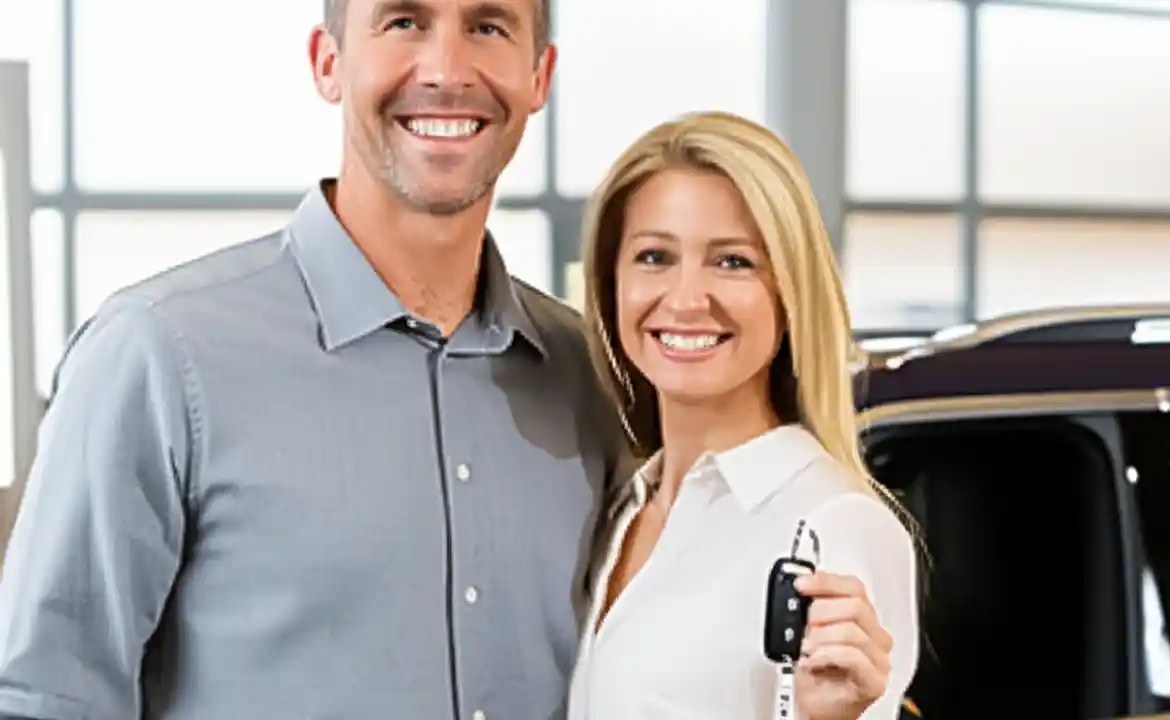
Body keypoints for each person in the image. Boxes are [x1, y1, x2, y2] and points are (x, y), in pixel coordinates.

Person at [0, 1, 630, 718]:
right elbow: (47, 698)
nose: (448, 69)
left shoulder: (592, 379)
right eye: (403, 22)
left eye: (488, 26)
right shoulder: (158, 355)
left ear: (539, 75)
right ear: (327, 63)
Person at [567, 111, 921, 720]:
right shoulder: (620, 507)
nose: (683, 300)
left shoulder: (833, 526)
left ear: (788, 293)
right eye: (654, 256)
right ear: (609, 283)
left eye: (732, 262)